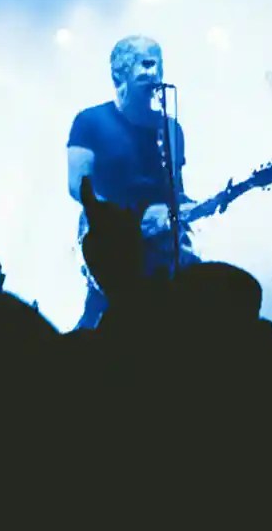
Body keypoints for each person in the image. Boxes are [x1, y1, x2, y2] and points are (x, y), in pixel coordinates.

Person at [66, 35, 198, 329]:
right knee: (105, 315)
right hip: (110, 240)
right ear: (118, 72)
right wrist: (126, 218)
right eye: (146, 64)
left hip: (163, 244)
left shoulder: (171, 128)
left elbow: (175, 190)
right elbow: (78, 185)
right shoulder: (90, 121)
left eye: (159, 65)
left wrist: (199, 207)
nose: (154, 73)